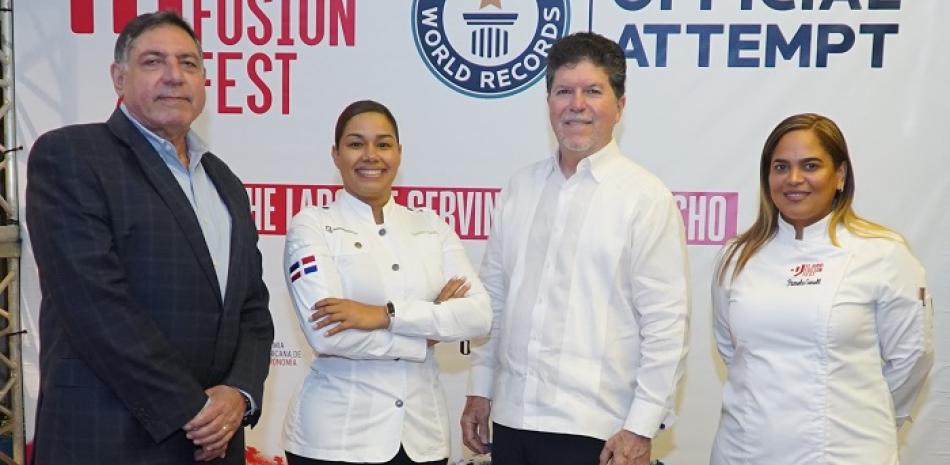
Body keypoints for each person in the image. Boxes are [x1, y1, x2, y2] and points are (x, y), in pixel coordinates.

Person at [25, 11, 274, 464]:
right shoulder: (72, 156)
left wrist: (238, 394)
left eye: (190, 63)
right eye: (154, 61)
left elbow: (252, 309)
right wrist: (195, 410)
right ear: (119, 77)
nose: (175, 76)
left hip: (215, 442)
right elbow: (96, 306)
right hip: (110, 440)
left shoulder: (225, 183)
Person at [460, 32, 690, 465]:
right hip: (512, 422)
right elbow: (493, 300)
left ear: (620, 106)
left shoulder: (644, 197)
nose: (576, 104)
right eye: (564, 91)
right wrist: (480, 388)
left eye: (593, 91)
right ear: (548, 102)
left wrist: (641, 427)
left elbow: (666, 325)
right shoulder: (519, 188)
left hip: (599, 432)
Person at [710, 113, 933, 465]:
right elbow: (732, 352)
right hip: (744, 452)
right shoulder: (737, 257)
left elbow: (911, 359)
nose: (794, 179)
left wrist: (862, 417)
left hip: (847, 452)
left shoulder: (883, 253)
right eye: (780, 167)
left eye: (810, 165)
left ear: (840, 175)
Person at [282, 100, 492, 465]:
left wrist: (384, 315)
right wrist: (427, 334)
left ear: (398, 153)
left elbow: (478, 315)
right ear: (335, 154)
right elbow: (326, 334)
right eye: (355, 143)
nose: (370, 155)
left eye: (383, 144)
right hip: (336, 440)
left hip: (421, 438)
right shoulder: (312, 224)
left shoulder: (431, 226)